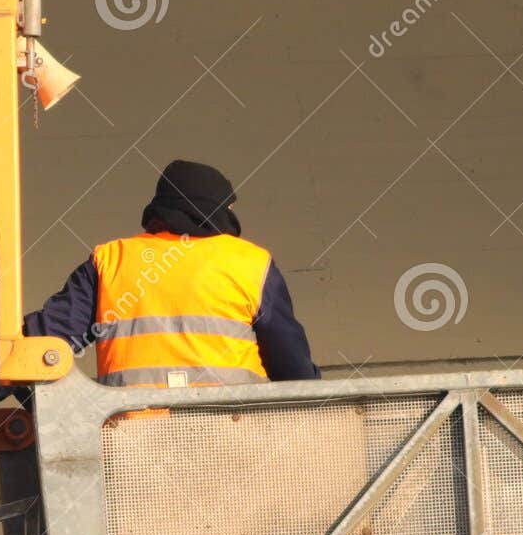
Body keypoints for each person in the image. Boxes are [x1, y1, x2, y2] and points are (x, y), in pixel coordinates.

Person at [24, 160, 320, 387]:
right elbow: (291, 365)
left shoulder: (111, 260)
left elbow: (42, 344)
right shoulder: (251, 263)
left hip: (131, 446)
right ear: (215, 208)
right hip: (234, 444)